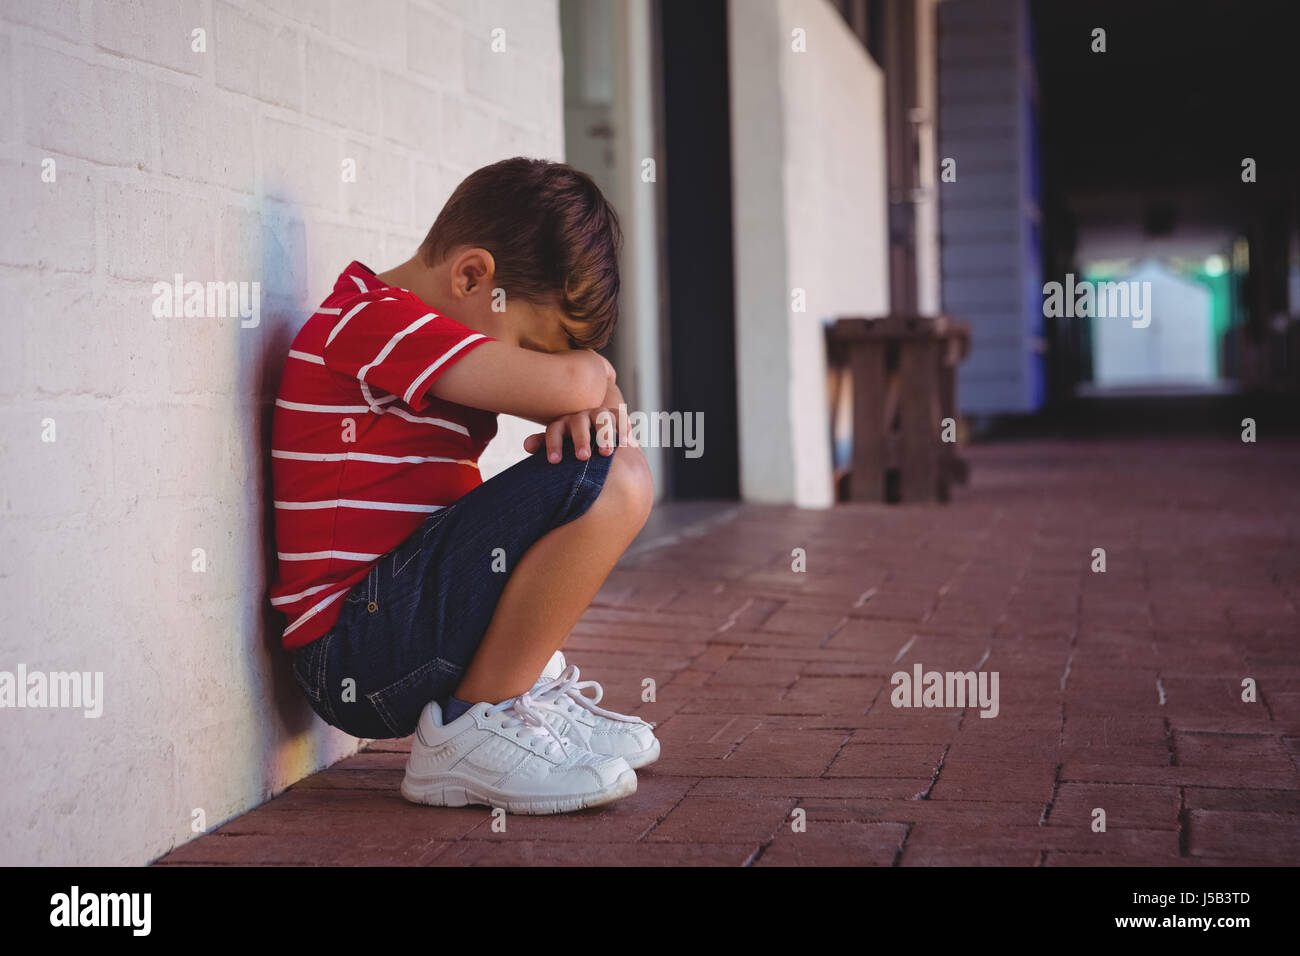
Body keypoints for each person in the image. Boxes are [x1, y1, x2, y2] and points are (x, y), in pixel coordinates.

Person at [268, 157, 659, 815]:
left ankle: (513, 694)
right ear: (473, 276)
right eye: (541, 346)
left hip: (389, 628)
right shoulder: (371, 323)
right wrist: (594, 377)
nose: (543, 366)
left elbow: (584, 400)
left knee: (612, 466)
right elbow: (580, 389)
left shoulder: (405, 332)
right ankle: (468, 729)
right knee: (615, 476)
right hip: (350, 650)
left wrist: (591, 404)